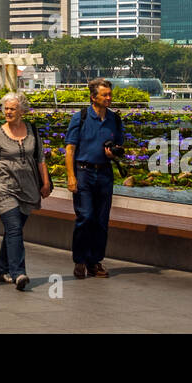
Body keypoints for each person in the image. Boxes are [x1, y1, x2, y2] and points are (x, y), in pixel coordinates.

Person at [0, 91, 52, 291]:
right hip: (3, 189)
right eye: (6, 109)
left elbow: (40, 159)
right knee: (14, 229)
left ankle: (3, 268)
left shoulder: (32, 131)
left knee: (14, 231)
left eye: (12, 109)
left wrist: (45, 183)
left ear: (22, 111)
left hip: (27, 189)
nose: (8, 112)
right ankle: (18, 273)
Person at [64, 77, 124, 279]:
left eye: (110, 94)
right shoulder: (80, 117)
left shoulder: (115, 119)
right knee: (85, 217)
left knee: (101, 220)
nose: (109, 98)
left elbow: (119, 149)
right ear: (93, 97)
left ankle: (95, 261)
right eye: (104, 95)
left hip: (105, 173)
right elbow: (70, 149)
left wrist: (113, 154)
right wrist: (71, 177)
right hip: (84, 172)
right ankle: (80, 260)